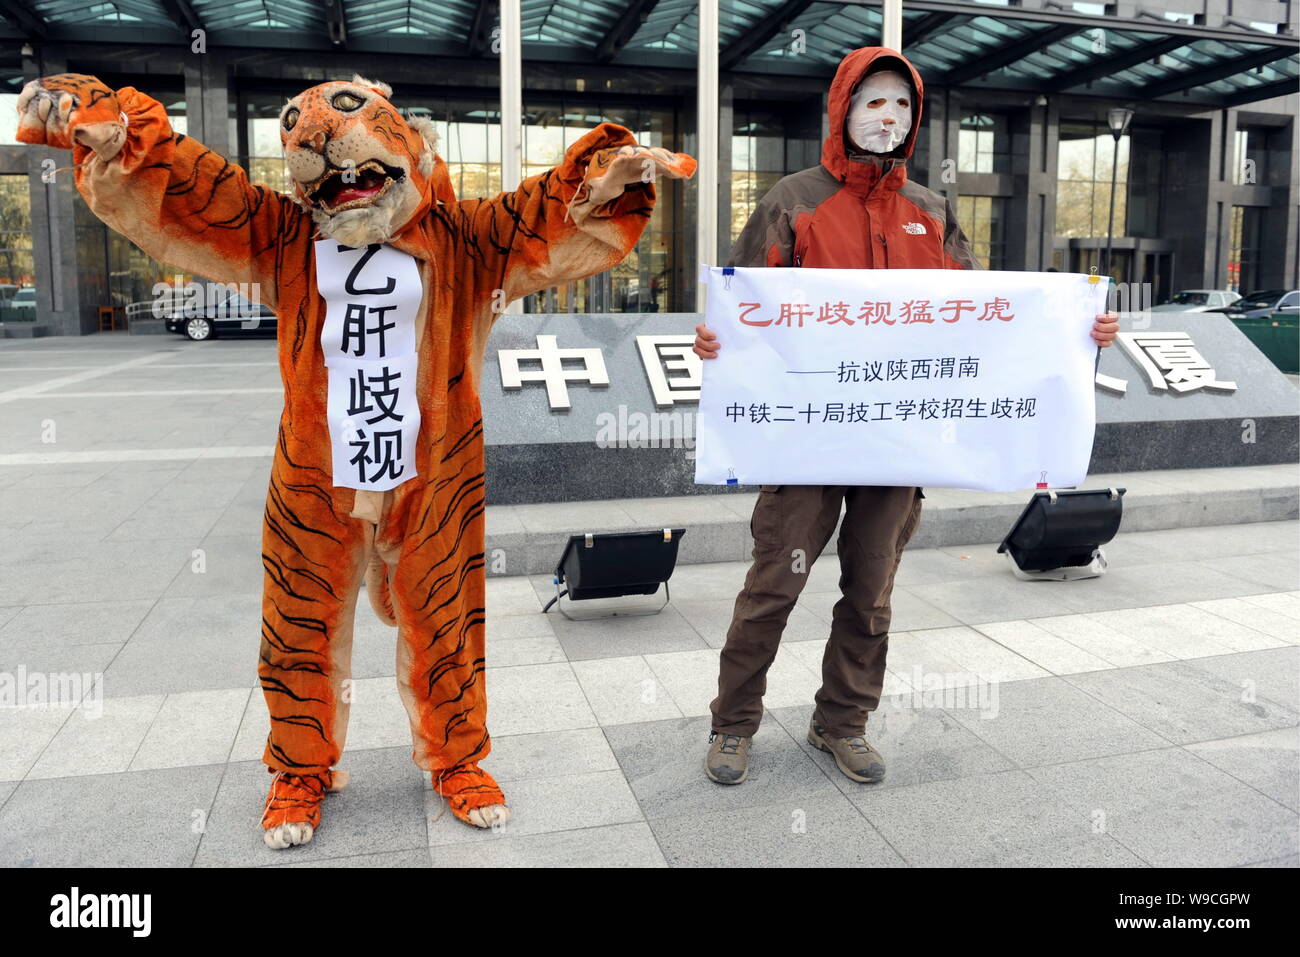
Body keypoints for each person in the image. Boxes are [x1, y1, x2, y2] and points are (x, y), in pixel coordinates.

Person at [694, 46, 1119, 786]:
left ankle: (843, 721)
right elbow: (743, 310)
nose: (887, 117)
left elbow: (987, 318)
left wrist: (1077, 333)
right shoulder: (792, 200)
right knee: (774, 586)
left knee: (871, 593)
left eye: (902, 105)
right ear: (842, 110)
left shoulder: (929, 209)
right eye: (873, 102)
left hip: (898, 440)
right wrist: (717, 340)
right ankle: (733, 724)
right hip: (808, 441)